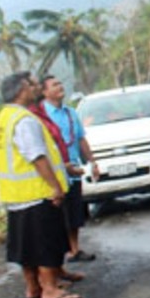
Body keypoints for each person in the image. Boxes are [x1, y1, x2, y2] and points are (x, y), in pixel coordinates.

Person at [0, 71, 81, 298]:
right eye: (32, 84)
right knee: (45, 244)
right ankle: (51, 290)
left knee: (26, 246)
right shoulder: (24, 120)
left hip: (16, 195)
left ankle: (33, 287)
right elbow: (37, 156)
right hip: (36, 192)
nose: (36, 88)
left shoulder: (6, 116)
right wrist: (55, 186)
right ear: (22, 90)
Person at [41, 74, 100, 262]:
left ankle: (74, 249)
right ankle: (60, 255)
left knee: (74, 213)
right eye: (54, 85)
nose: (60, 87)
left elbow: (81, 138)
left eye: (60, 83)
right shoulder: (43, 116)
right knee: (58, 216)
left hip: (74, 170)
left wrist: (92, 161)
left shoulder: (71, 113)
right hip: (55, 172)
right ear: (44, 92)